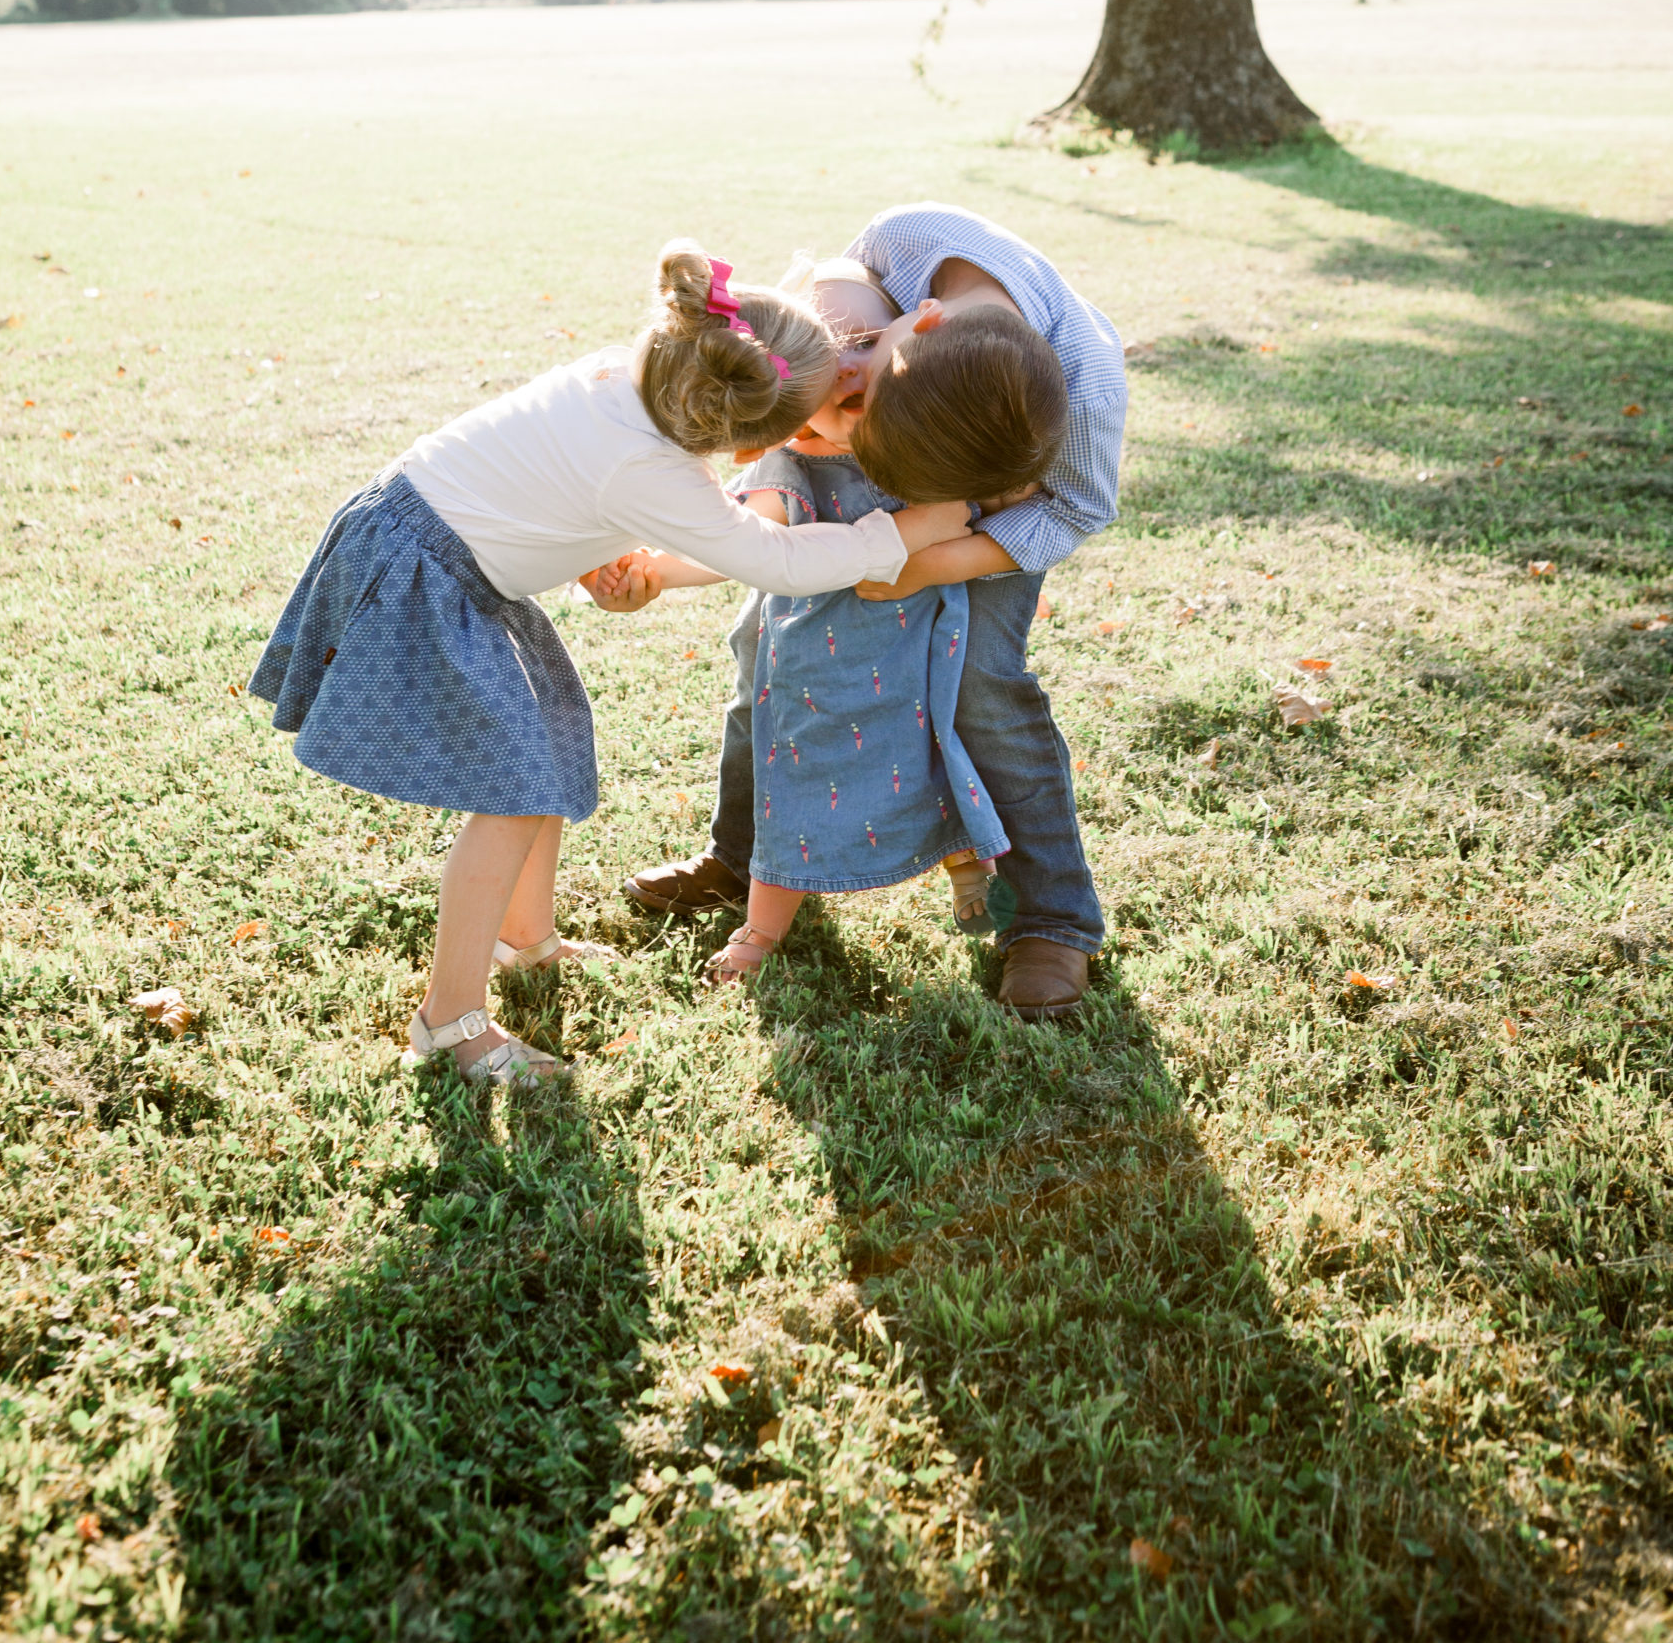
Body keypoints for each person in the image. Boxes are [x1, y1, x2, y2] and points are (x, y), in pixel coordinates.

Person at [247, 242, 968, 1087]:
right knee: (512, 791)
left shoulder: (619, 375)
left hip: (422, 541)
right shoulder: (654, 471)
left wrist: (597, 554)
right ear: (749, 451)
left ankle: (526, 941)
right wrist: (901, 532)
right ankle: (449, 1023)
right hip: (428, 577)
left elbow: (547, 475)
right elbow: (777, 560)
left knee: (544, 747)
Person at [615, 208, 1128, 1020]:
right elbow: (820, 319)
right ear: (917, 321)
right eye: (857, 353)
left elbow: (1071, 512)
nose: (845, 369)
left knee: (979, 686)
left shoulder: (1083, 392)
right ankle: (741, 856)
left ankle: (1051, 919)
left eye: (858, 365)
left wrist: (920, 563)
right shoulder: (905, 238)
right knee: (765, 647)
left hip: (990, 520)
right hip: (849, 467)